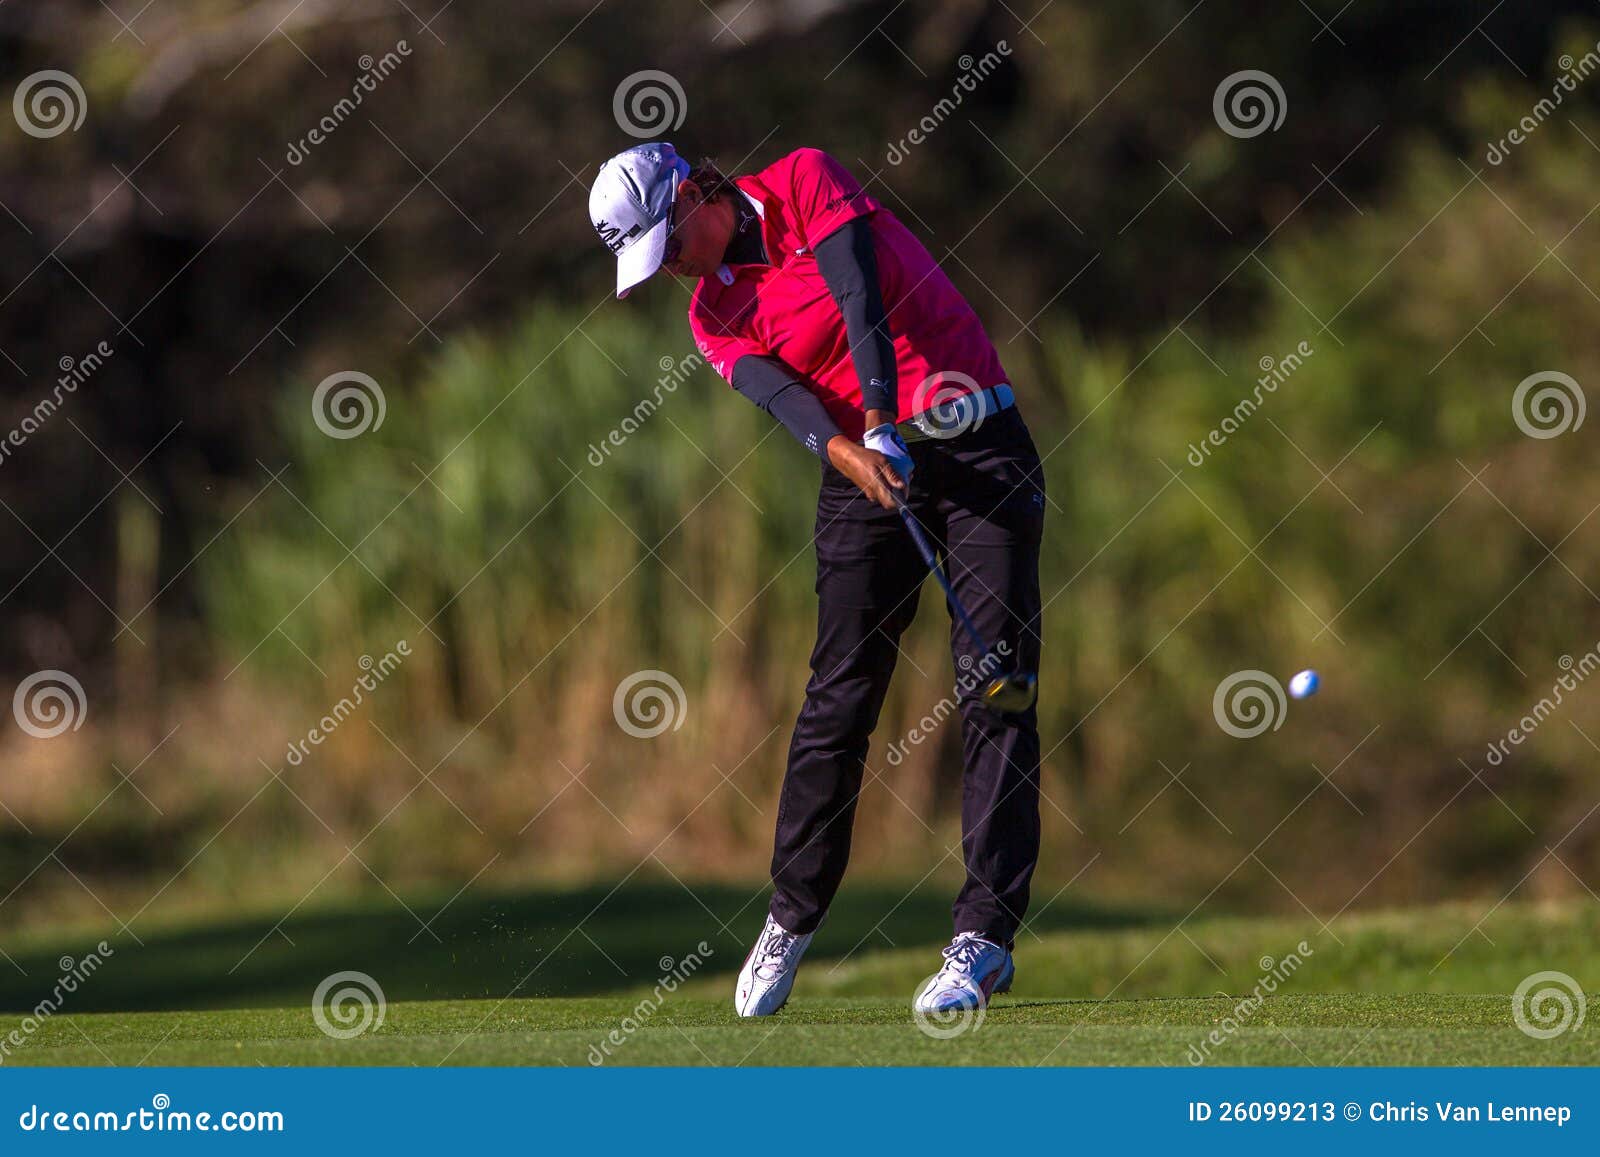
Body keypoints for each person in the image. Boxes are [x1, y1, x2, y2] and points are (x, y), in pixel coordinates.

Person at [589, 142, 1045, 1016]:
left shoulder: (804, 178)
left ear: (689, 194)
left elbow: (859, 293)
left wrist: (879, 417)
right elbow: (788, 400)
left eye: (666, 241)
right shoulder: (712, 318)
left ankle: (983, 938)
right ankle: (791, 918)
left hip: (979, 444)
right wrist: (850, 447)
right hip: (864, 474)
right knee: (839, 696)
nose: (673, 266)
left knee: (997, 689)